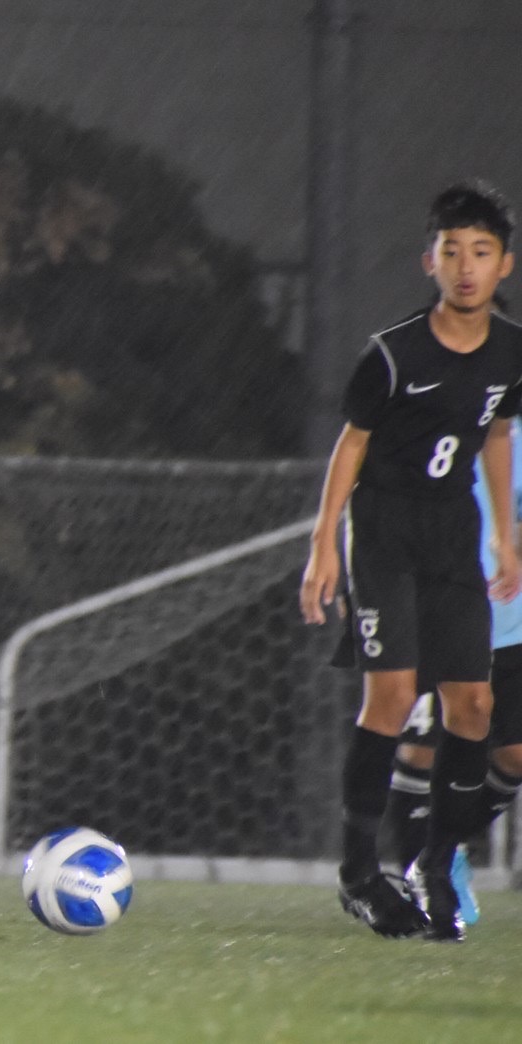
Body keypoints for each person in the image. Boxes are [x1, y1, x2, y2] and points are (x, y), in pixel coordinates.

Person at [300, 181, 522, 942]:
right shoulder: (393, 354)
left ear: (505, 265)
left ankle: (435, 864)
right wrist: (323, 540)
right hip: (386, 530)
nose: (466, 266)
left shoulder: (514, 350)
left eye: (482, 253)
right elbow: (352, 443)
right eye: (452, 251)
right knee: (391, 699)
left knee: (474, 710)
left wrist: (503, 535)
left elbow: (496, 431)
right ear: (430, 260)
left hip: (454, 533)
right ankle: (361, 873)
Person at [379, 412, 522, 924]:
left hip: (513, 622)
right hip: (442, 608)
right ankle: (423, 871)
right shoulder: (447, 425)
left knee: (515, 756)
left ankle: (442, 850)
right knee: (423, 747)